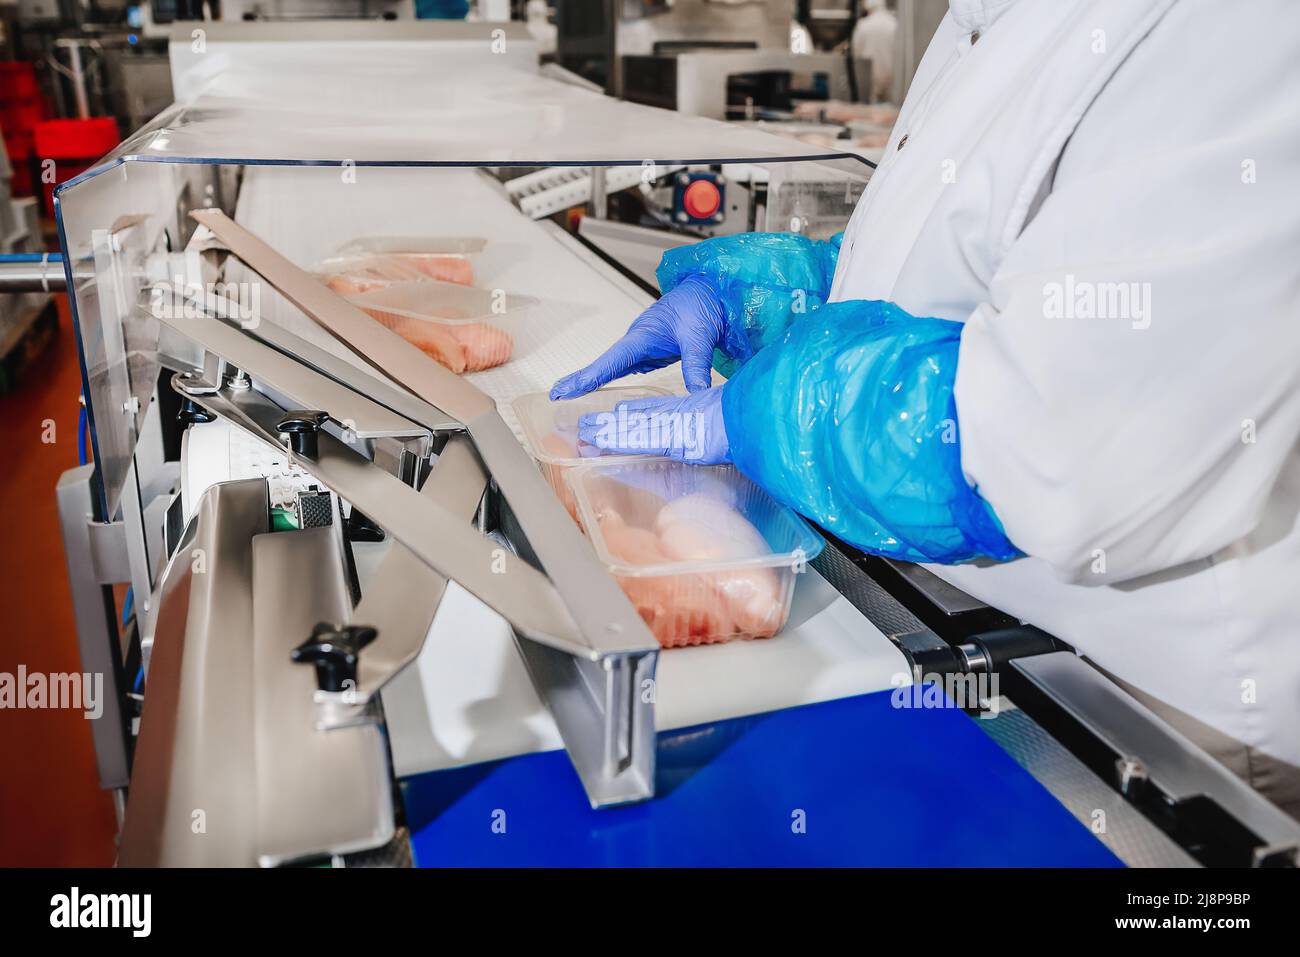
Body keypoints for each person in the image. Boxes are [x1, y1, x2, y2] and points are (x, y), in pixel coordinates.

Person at [551, 0, 1300, 817]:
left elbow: (1055, 439)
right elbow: (957, 274)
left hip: (1163, 719)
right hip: (976, 634)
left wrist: (779, 407)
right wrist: (768, 303)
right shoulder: (989, 17)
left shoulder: (1235, 23)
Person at [851, 0, 899, 102]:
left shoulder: (863, 25)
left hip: (870, 78)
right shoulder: (894, 25)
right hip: (891, 77)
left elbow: (855, 54)